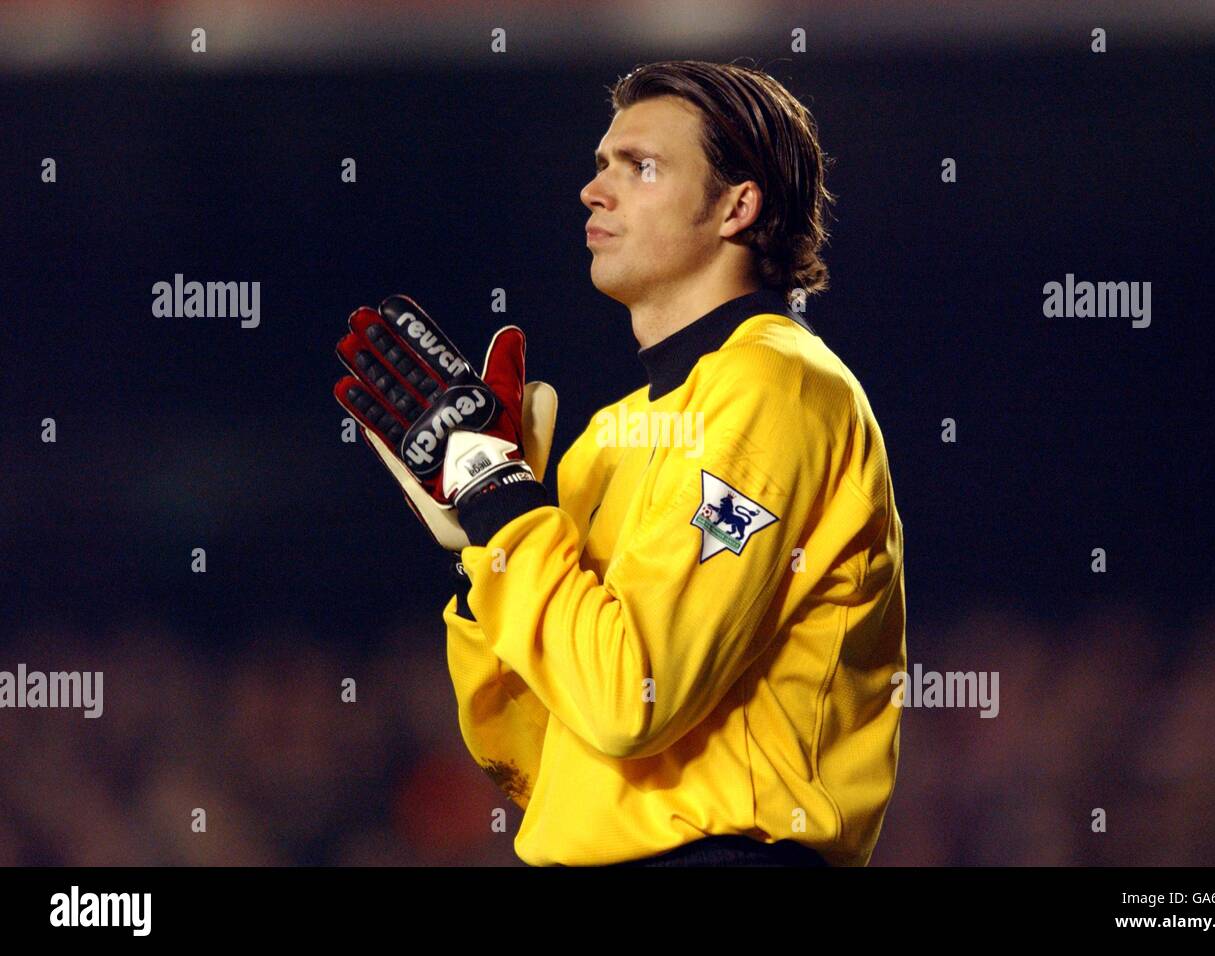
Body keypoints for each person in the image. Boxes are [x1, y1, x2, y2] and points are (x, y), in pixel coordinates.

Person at [338, 60, 906, 867]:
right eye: (602, 165)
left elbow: (629, 700)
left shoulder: (777, 384)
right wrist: (483, 546)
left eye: (641, 167)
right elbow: (532, 755)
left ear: (737, 206)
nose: (594, 191)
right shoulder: (610, 435)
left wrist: (501, 500)